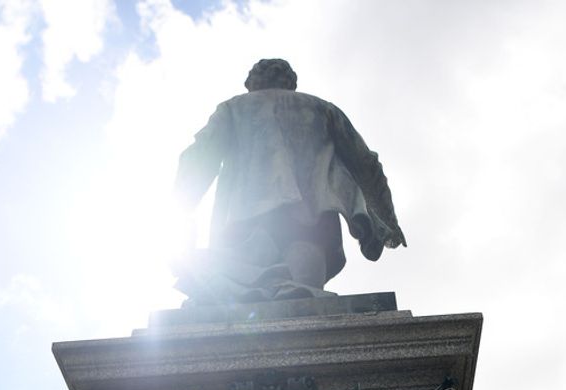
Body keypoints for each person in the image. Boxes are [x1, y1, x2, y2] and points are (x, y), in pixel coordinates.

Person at [174, 58, 406, 304]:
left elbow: (197, 158)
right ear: (290, 82)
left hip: (246, 217)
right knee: (307, 299)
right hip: (312, 218)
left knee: (242, 299)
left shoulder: (233, 109)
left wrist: (180, 206)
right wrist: (387, 221)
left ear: (252, 83)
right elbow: (366, 163)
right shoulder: (323, 110)